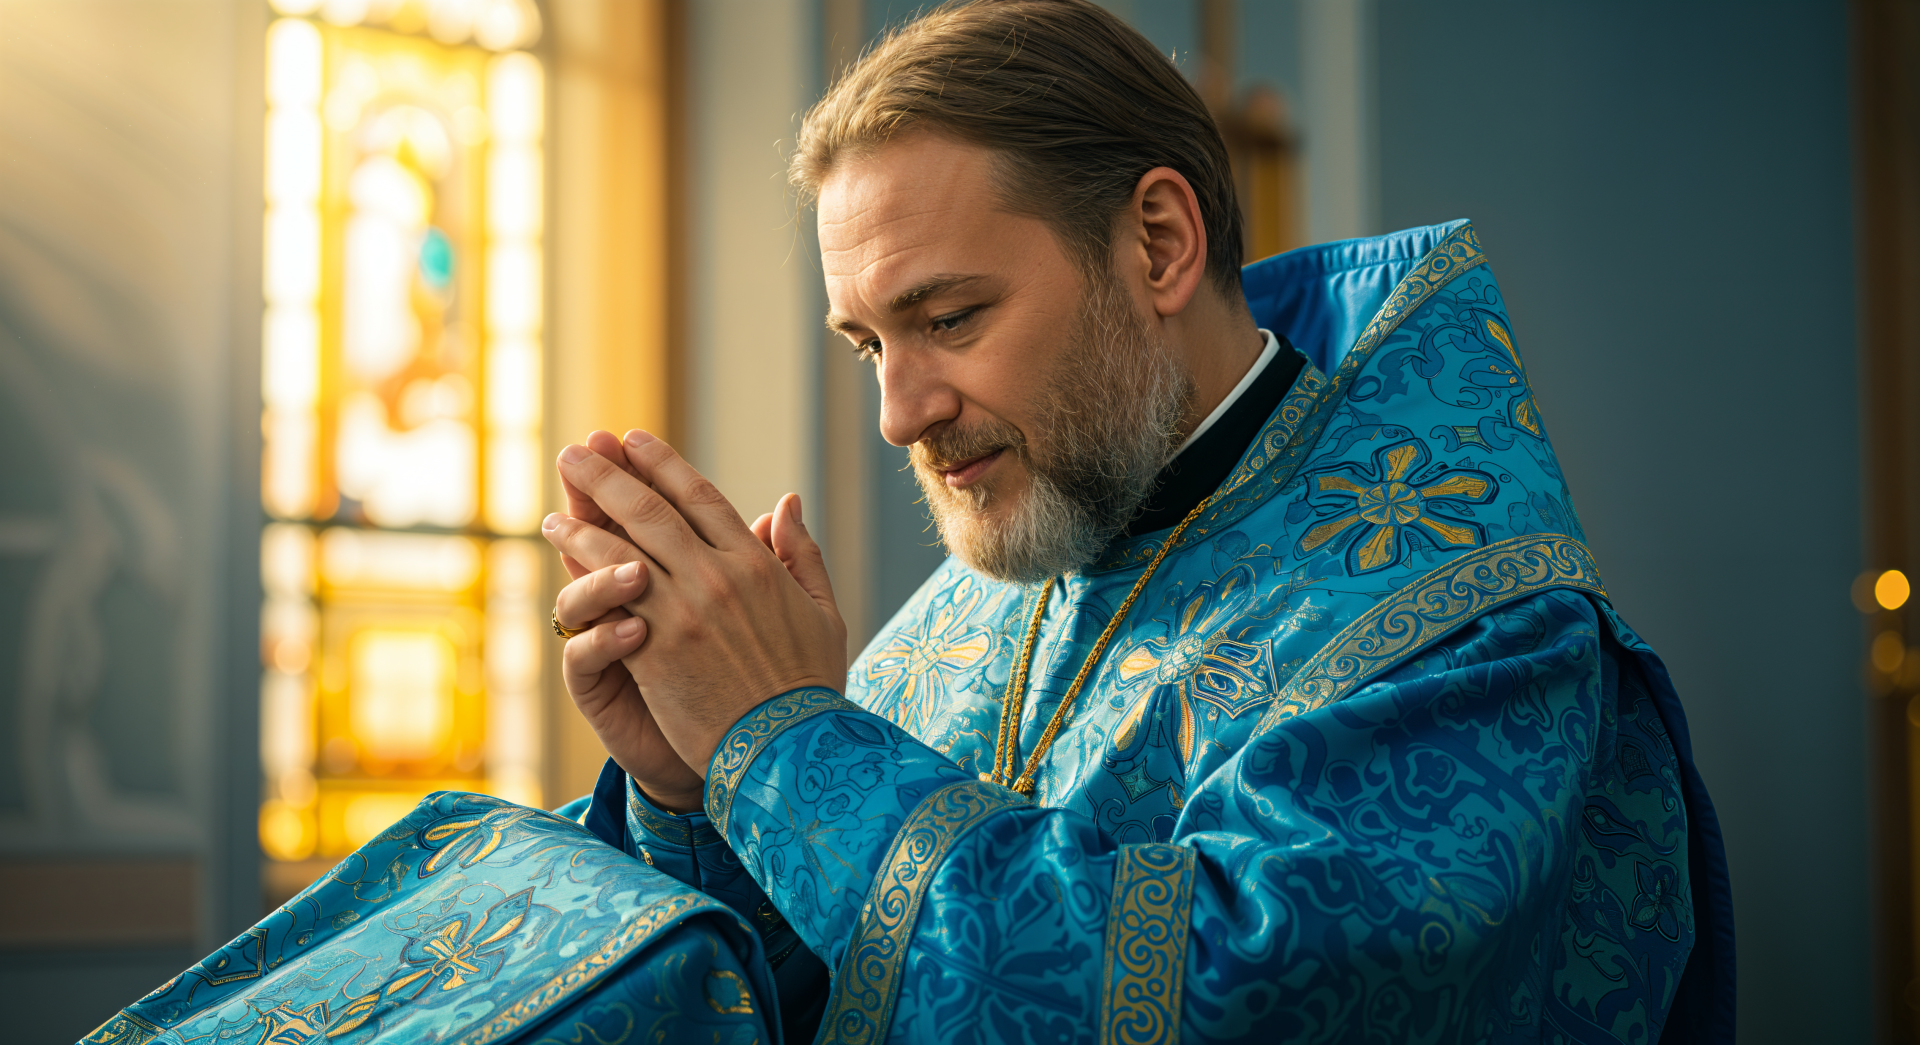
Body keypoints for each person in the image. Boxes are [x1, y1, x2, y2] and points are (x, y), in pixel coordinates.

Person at [86, 1, 1731, 1042]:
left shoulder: (1465, 627)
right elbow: (846, 976)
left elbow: (1214, 999)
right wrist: (688, 791)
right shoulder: (982, 602)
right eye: (868, 343)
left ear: (1158, 245)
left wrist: (787, 741)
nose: (897, 412)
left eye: (948, 315)